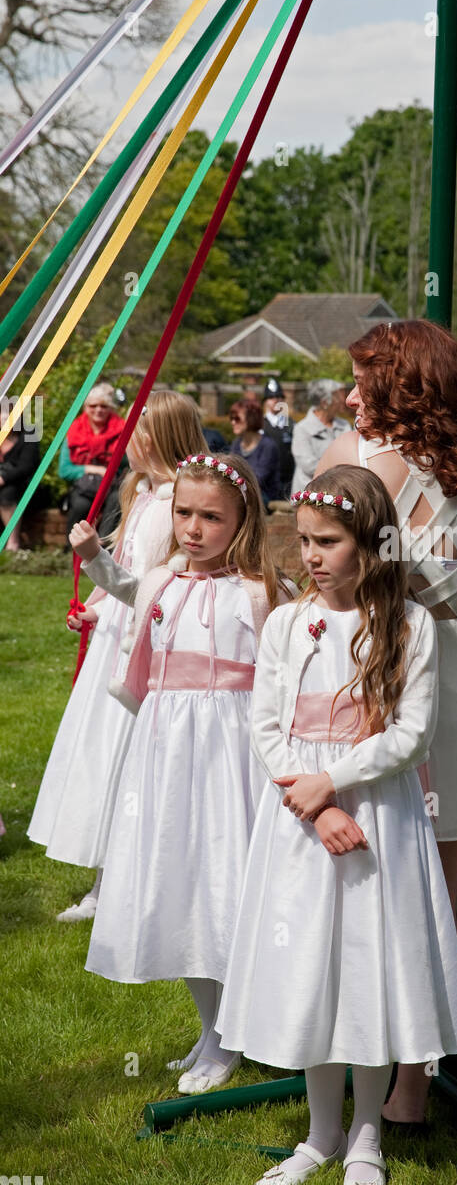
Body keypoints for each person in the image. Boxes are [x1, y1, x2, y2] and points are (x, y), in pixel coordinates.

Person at [216, 468, 457, 1185]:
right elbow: (265, 726)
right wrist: (315, 801)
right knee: (310, 970)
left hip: (377, 816)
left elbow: (413, 734)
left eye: (328, 541)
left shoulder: (409, 625)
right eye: (303, 541)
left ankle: (367, 1136)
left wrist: (340, 784)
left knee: (365, 966)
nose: (311, 556)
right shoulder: (286, 623)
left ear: (372, 544)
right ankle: (320, 1132)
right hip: (301, 820)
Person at [316, 319, 457, 1125]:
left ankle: (377, 1063)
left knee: (386, 879)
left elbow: (330, 576)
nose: (348, 395)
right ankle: (410, 1073)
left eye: (363, 379)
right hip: (455, 671)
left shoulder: (349, 462)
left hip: (388, 668)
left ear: (405, 386)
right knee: (447, 883)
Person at [78, 453, 294, 1094]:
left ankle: (235, 1030)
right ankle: (212, 1026)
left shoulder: (258, 595)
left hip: (234, 754)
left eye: (210, 516)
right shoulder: (159, 583)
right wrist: (93, 558)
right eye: (183, 513)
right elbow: (131, 601)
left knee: (226, 879)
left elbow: (280, 676)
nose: (193, 528)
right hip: (167, 751)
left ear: (242, 519)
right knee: (178, 878)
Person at [27, 393, 207, 921]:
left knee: (127, 760)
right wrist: (95, 611)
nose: (123, 441)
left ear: (153, 439)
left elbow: (150, 590)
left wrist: (93, 562)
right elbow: (121, 581)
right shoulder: (143, 494)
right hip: (112, 643)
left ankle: (119, 889)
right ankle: (106, 883)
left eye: (133, 432)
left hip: (142, 653)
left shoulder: (179, 504)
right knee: (103, 758)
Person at [59, 383, 126, 537]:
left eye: (103, 406)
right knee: (81, 505)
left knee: (117, 501)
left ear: (110, 408)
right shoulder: (73, 431)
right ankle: (73, 547)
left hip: (112, 485)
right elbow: (64, 470)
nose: (98, 410)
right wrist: (94, 469)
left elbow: (128, 464)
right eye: (93, 406)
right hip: (84, 486)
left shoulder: (123, 429)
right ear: (85, 408)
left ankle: (104, 545)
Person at [291, 379, 351, 490]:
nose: (342, 400)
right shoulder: (302, 429)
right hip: (310, 494)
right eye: (337, 397)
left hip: (340, 491)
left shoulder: (344, 425)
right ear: (324, 403)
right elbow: (309, 466)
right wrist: (342, 470)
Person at [0, 411, 40, 551]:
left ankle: (13, 542)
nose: (6, 421)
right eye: (4, 417)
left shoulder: (29, 434)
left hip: (21, 485)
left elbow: (27, 466)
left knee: (7, 494)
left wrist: (3, 478)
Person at [228, 400, 281, 506]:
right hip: (240, 492)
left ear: (251, 419)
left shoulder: (268, 446)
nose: (233, 422)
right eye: (231, 418)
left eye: (237, 418)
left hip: (264, 498)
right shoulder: (236, 444)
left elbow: (257, 480)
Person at [262, 378, 295, 498]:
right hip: (266, 484)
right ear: (265, 401)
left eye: (278, 397)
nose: (276, 400)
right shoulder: (259, 425)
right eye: (271, 397)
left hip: (288, 482)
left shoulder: (292, 425)